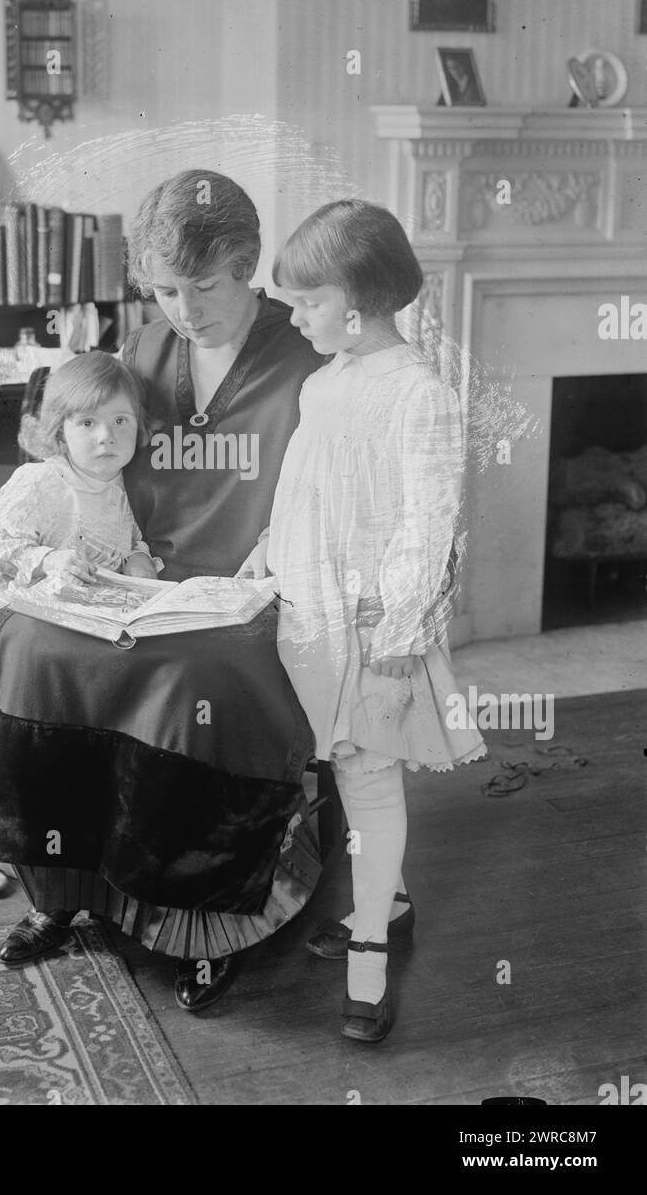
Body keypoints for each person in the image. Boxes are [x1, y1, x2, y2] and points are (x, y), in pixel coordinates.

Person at [0, 170, 324, 1010]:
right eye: (164, 290)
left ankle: (205, 923)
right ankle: (66, 891)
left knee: (193, 681)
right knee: (25, 643)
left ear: (247, 266)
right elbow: (78, 452)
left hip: (248, 590)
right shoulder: (142, 352)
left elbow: (327, 493)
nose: (183, 310)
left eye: (203, 287)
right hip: (132, 578)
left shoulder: (305, 355)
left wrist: (273, 562)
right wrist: (22, 532)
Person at [262, 199, 485, 1042]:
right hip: (306, 612)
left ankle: (366, 963)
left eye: (306, 302)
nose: (292, 316)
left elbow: (430, 528)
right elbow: (305, 493)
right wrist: (266, 551)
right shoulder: (323, 382)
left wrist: (399, 636)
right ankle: (385, 900)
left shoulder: (419, 396)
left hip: (369, 628)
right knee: (336, 772)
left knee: (368, 779)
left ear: (356, 303)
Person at [0, 352, 158, 897]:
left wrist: (138, 563)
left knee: (20, 744)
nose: (105, 437)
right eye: (87, 423)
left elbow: (127, 543)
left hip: (50, 635)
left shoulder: (114, 490)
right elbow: (0, 541)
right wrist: (46, 558)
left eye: (120, 422)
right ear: (59, 431)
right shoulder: (40, 480)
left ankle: (1, 840)